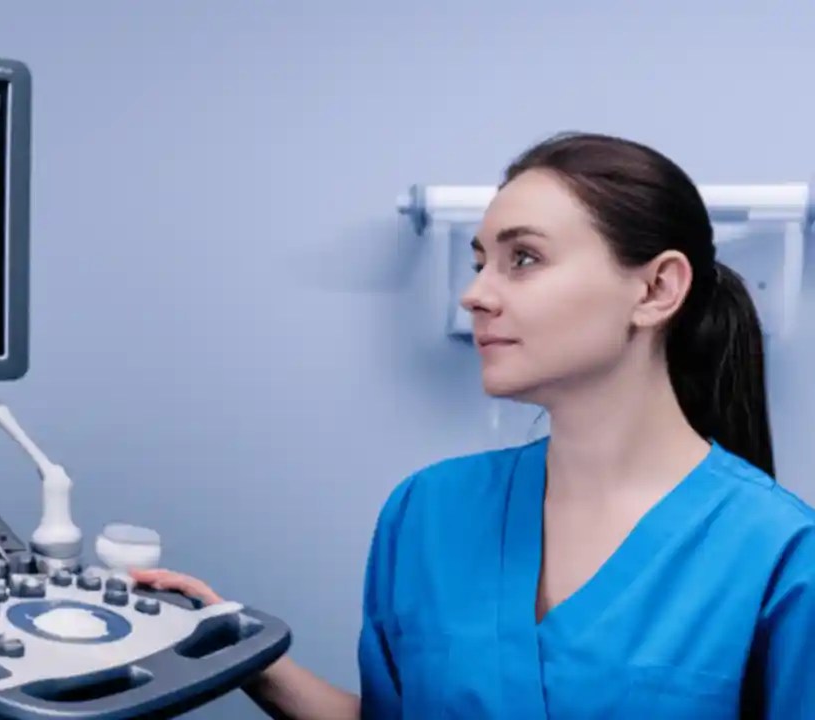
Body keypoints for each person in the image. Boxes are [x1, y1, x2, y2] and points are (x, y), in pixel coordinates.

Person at [131, 131, 815, 719]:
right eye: (481, 262)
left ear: (656, 289)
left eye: (524, 259)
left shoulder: (779, 554)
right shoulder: (429, 511)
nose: (476, 294)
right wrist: (244, 653)